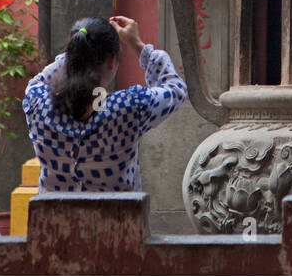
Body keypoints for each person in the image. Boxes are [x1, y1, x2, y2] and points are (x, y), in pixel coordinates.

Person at [23, 15, 186, 192]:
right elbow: (176, 89)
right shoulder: (128, 107)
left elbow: (37, 82)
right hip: (120, 217)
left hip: (54, 217)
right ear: (111, 62)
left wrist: (75, 55)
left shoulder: (38, 104)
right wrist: (137, 44)